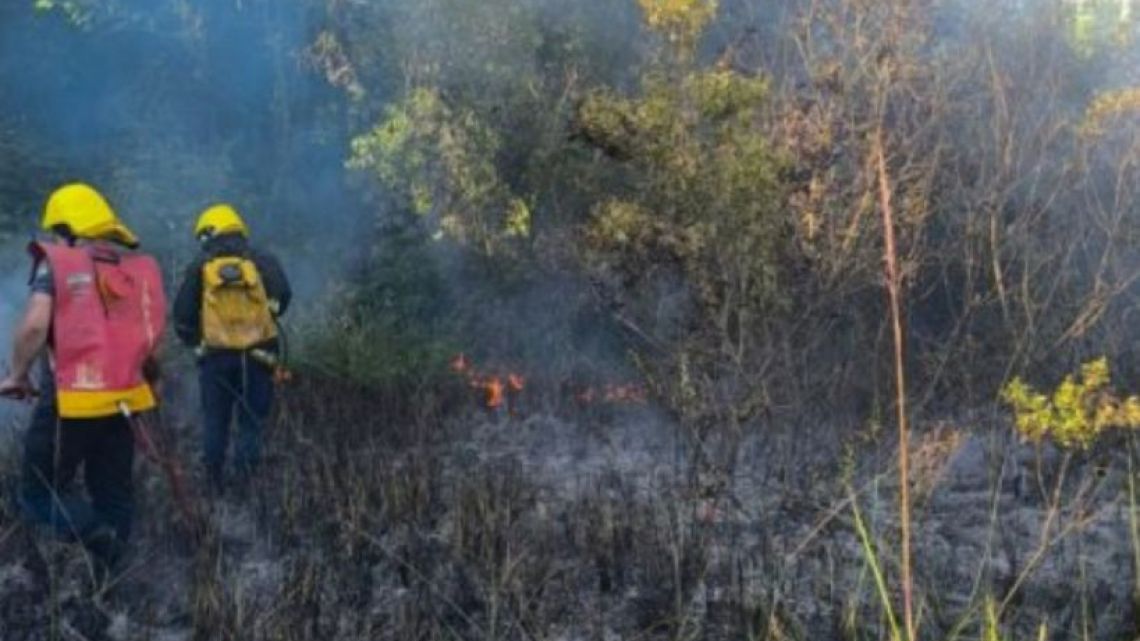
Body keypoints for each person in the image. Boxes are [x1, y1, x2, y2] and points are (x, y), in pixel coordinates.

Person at [0, 183, 166, 571]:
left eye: (57, 232)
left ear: (66, 229)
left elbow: (34, 328)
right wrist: (151, 387)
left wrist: (18, 374)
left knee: (38, 495)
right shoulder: (135, 271)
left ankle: (99, 541)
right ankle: (113, 579)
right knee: (114, 495)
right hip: (124, 402)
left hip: (70, 403)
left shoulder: (59, 262)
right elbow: (150, 341)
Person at [173, 204, 290, 495]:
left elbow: (183, 315)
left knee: (216, 421)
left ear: (207, 234)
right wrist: (263, 321)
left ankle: (214, 485)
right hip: (259, 357)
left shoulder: (200, 265)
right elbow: (284, 295)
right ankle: (246, 485)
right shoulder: (263, 260)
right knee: (250, 421)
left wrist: (198, 343)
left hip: (216, 360)